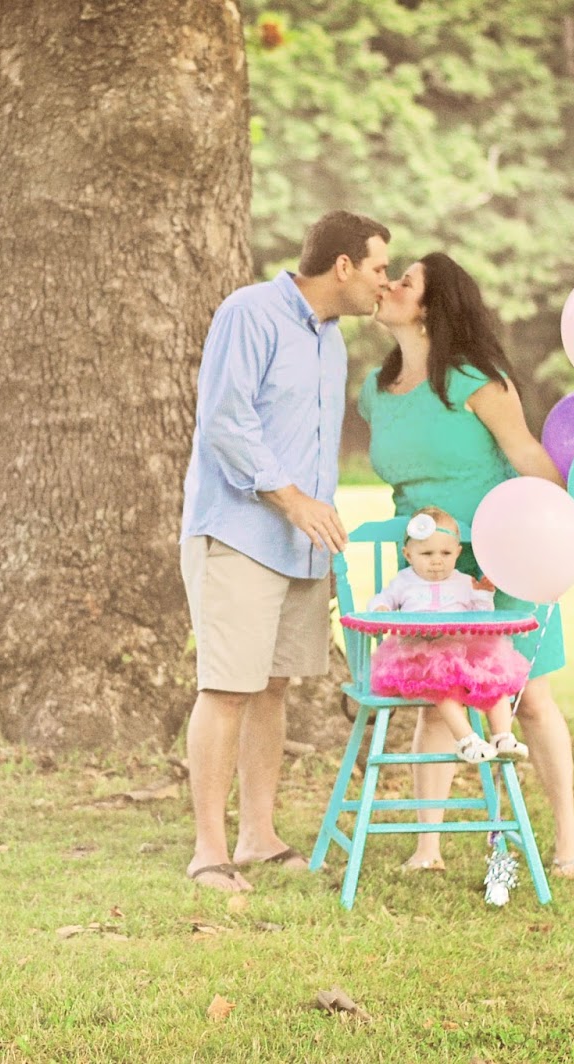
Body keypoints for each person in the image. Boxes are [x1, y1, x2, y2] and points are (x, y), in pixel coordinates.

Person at [358, 251, 574, 878]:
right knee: (437, 697)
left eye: (404, 281)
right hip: (432, 569)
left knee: (531, 697)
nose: (388, 285)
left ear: (432, 310)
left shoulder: (475, 379)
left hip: (505, 557)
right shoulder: (374, 392)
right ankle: (427, 847)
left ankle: (566, 835)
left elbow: (527, 455)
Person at [179, 210, 392, 893]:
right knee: (228, 687)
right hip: (239, 533)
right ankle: (208, 851)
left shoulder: (331, 341)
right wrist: (294, 501)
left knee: (272, 688)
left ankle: (257, 837)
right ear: (343, 266)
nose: (385, 284)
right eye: (381, 268)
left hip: (299, 548)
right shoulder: (250, 313)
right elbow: (225, 422)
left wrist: (318, 533)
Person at [367, 507, 531, 764]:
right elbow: (383, 598)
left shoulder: (464, 582)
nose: (436, 560)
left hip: (463, 651)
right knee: (441, 684)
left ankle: (502, 736)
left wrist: (482, 595)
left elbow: (482, 618)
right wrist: (381, 608)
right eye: (427, 553)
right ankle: (466, 739)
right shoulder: (404, 582)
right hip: (418, 655)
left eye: (445, 553)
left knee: (494, 677)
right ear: (407, 554)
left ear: (458, 552)